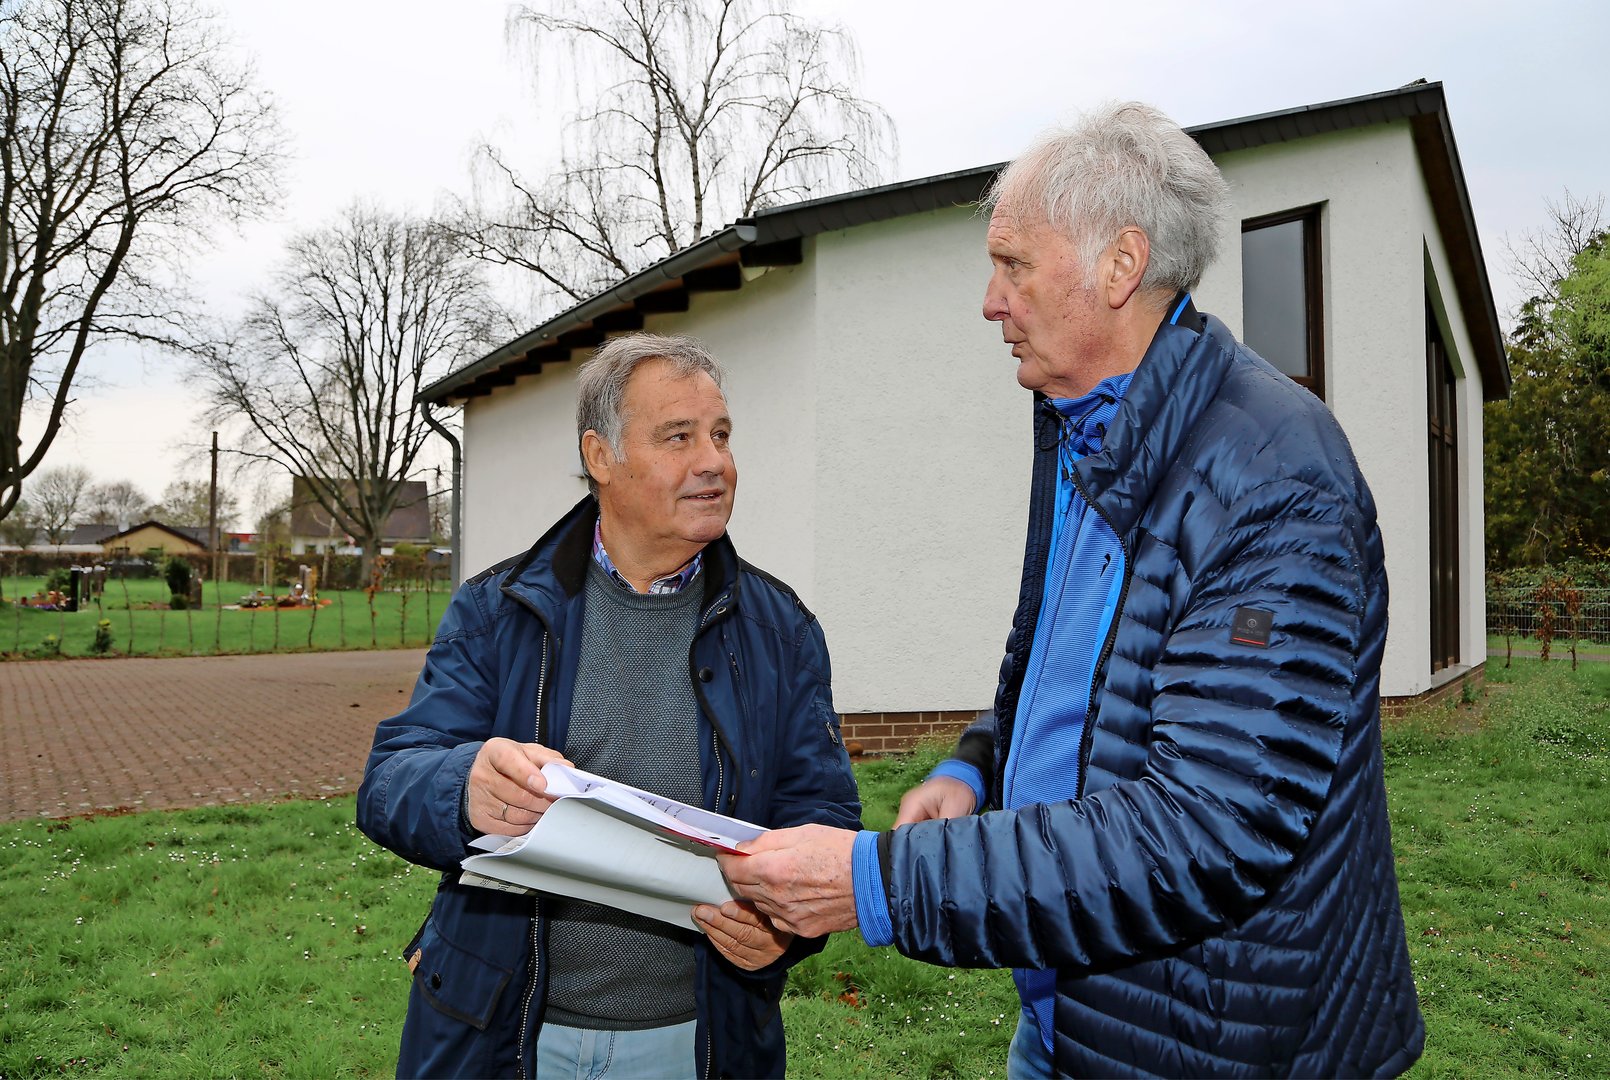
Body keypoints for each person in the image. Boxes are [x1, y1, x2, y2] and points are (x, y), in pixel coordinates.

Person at [720, 102, 1425, 1077]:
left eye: (1012, 264)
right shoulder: (1080, 422)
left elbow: (1206, 830)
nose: (987, 300)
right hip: (1067, 1016)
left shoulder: (1272, 480)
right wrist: (978, 762)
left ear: (1119, 266)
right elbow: (1059, 664)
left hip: (1208, 1039)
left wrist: (875, 884)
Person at [356, 332, 860, 1079]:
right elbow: (390, 780)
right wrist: (465, 786)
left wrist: (786, 933)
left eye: (720, 435)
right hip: (502, 1032)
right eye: (678, 437)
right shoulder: (498, 609)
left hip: (697, 1038)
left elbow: (823, 817)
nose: (714, 462)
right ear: (602, 458)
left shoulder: (779, 629)